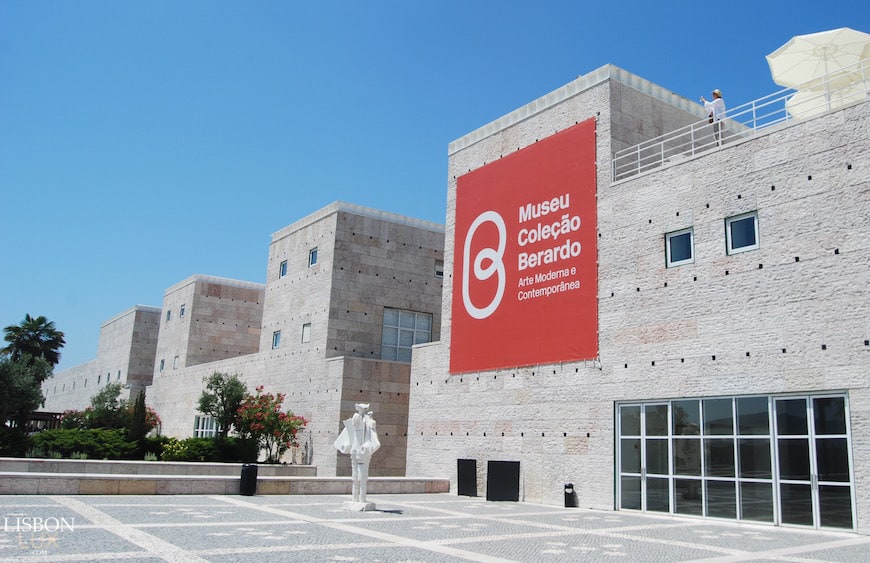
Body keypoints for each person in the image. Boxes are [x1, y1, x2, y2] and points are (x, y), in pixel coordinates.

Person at [333, 402, 381, 505]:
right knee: (354, 475)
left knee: (363, 476)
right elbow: (350, 434)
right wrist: (346, 445)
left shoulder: (369, 421)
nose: (361, 411)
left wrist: (367, 446)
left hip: (363, 450)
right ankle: (355, 498)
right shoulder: (355, 419)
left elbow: (372, 436)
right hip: (354, 449)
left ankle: (362, 498)